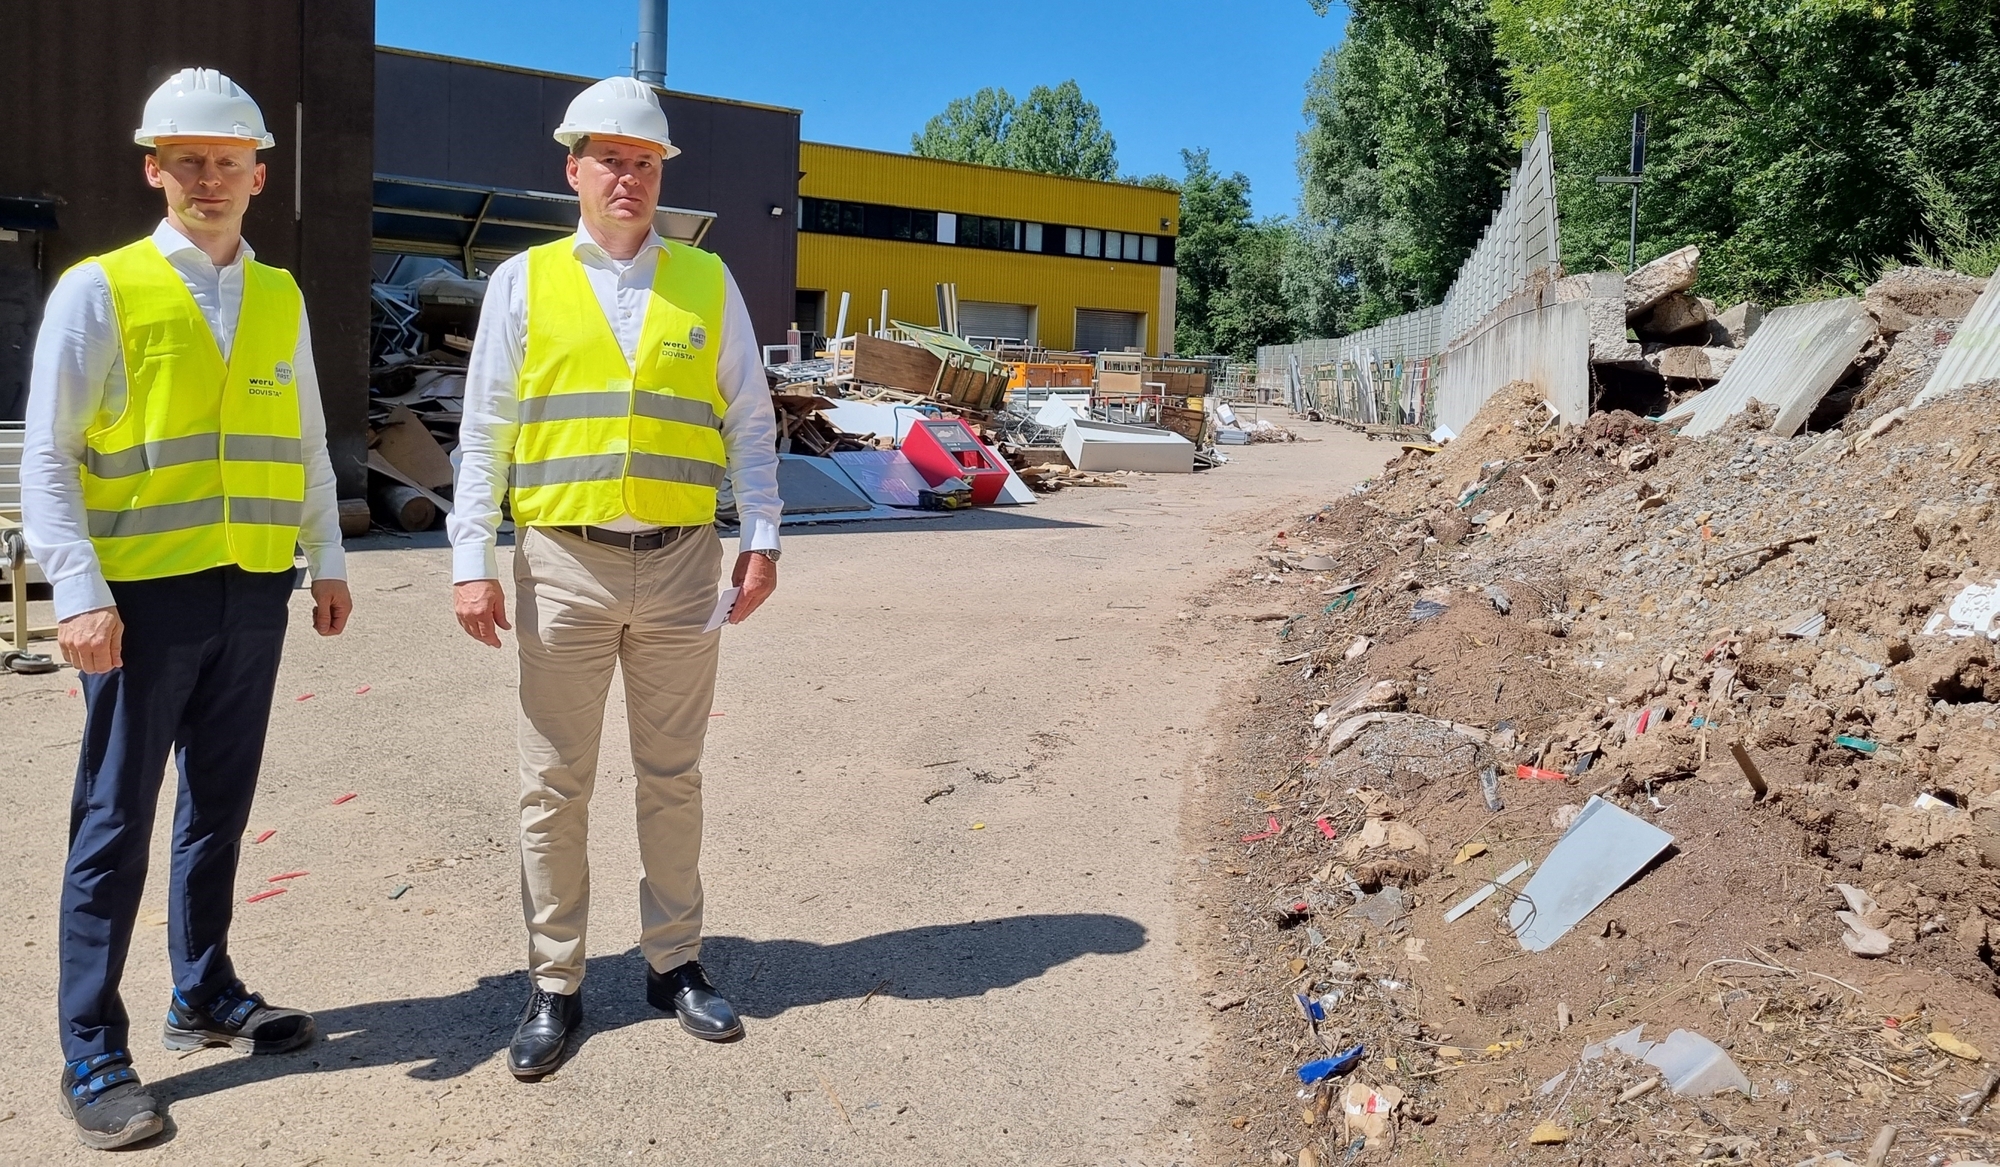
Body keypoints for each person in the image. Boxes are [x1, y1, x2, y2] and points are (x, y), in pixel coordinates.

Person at [19, 67, 352, 1149]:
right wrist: (76, 590)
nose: (210, 179)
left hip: (253, 587)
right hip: (137, 600)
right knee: (114, 823)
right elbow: (51, 458)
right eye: (188, 161)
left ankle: (202, 992)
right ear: (154, 168)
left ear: (260, 173)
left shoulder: (280, 294)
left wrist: (329, 556)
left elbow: (303, 438)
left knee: (218, 804)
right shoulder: (99, 288)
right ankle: (91, 1049)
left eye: (229, 162)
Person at [448, 76, 782, 1079]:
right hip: (562, 566)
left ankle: (673, 961)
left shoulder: (703, 281)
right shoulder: (524, 281)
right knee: (552, 783)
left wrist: (759, 537)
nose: (625, 176)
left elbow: (750, 424)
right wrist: (472, 560)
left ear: (659, 172)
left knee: (672, 778)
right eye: (608, 159)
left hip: (681, 567)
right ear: (574, 169)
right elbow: (484, 434)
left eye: (641, 162)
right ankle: (554, 981)